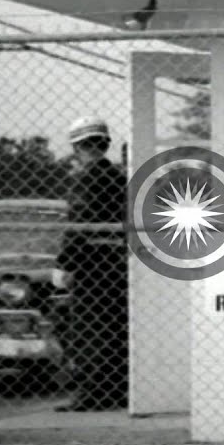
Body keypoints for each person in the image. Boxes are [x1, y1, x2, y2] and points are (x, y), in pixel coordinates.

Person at [55, 116, 129, 411]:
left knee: (87, 329)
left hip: (89, 262)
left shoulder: (86, 180)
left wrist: (65, 263)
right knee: (111, 327)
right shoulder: (116, 177)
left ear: (76, 147)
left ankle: (91, 392)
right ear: (106, 143)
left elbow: (80, 223)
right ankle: (112, 389)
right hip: (114, 261)